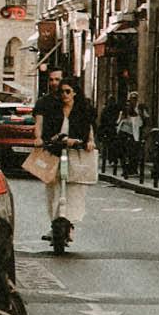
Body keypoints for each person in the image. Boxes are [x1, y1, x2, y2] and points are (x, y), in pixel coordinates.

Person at [41, 80, 96, 253]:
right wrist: (51, 139)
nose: (64, 95)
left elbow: (89, 129)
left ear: (74, 93)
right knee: (54, 188)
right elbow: (46, 130)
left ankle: (69, 222)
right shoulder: (54, 110)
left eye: (67, 91)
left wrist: (90, 142)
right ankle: (55, 222)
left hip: (75, 153)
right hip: (57, 152)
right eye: (62, 92)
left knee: (74, 188)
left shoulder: (82, 111)